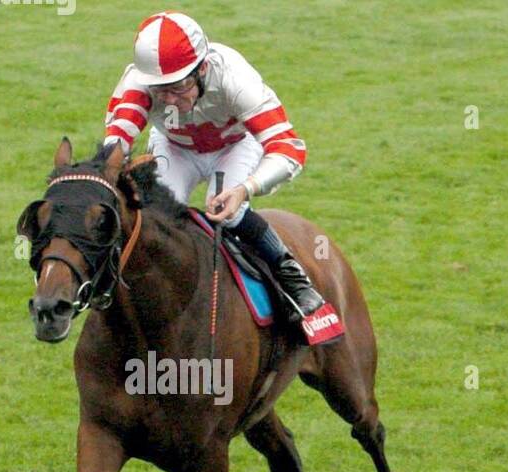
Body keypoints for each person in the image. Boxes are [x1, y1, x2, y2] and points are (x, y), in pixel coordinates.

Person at [102, 10, 343, 344]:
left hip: (235, 147)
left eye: (179, 87)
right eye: (161, 91)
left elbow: (288, 149)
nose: (171, 99)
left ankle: (294, 281)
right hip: (175, 149)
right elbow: (114, 146)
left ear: (202, 68)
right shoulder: (139, 83)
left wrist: (246, 189)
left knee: (226, 214)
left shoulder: (234, 79)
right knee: (156, 218)